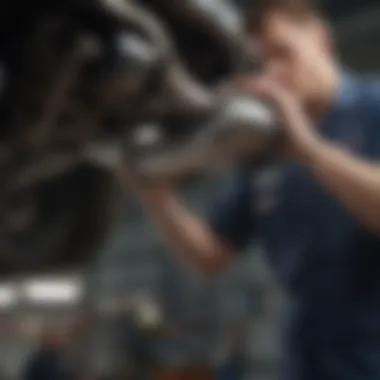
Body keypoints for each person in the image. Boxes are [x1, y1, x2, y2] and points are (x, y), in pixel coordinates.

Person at [118, 0, 380, 378]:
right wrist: (158, 197)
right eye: (262, 65)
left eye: (283, 53)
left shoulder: (373, 108)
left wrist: (309, 150)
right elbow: (209, 257)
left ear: (321, 40)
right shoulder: (267, 149)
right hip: (307, 355)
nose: (274, 73)